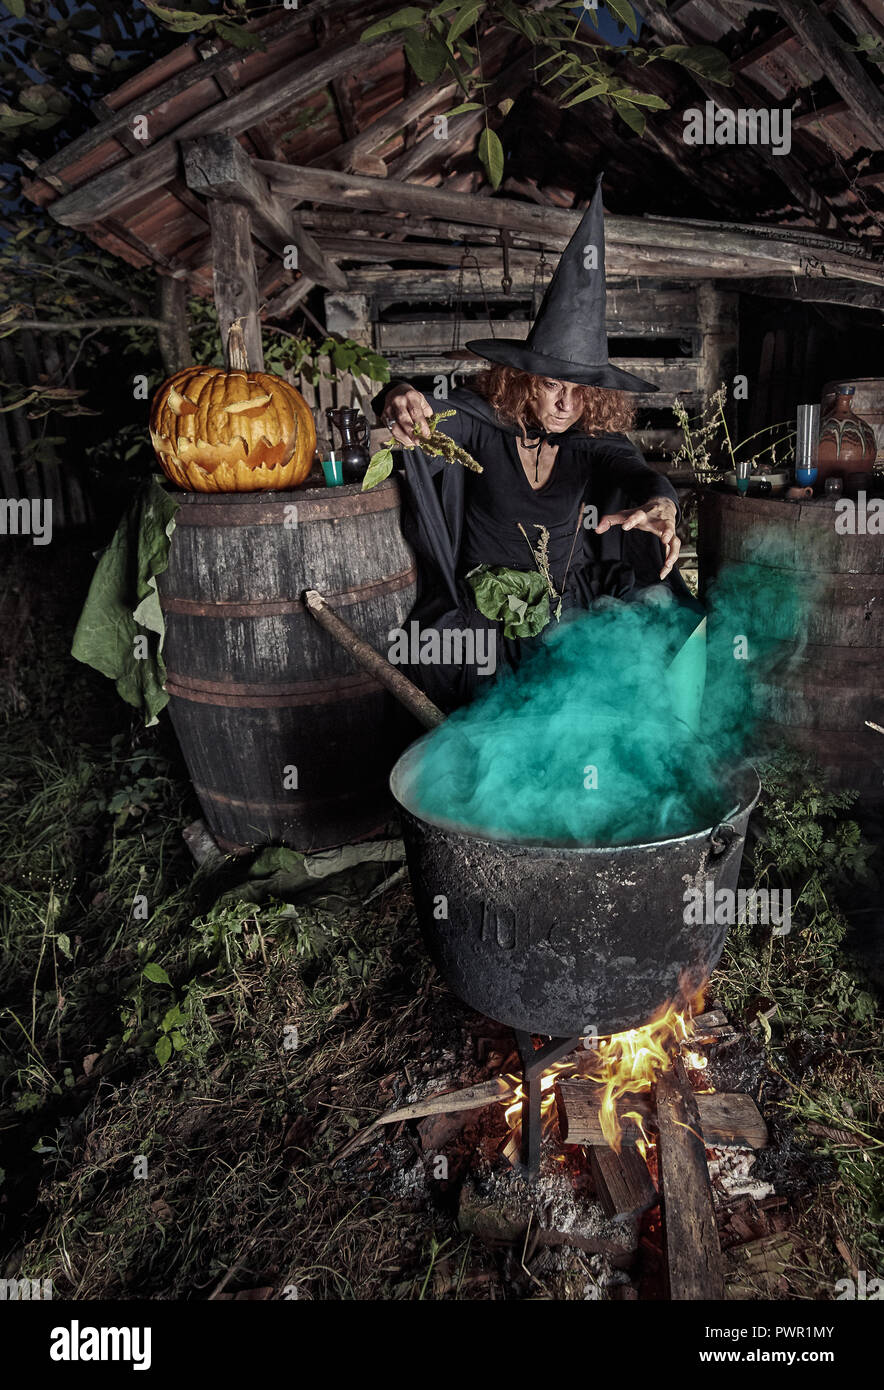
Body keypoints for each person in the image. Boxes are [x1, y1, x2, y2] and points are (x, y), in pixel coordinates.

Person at [371, 174, 701, 712]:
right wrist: (401, 394)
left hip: (569, 607)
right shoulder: (479, 423)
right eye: (553, 384)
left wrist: (661, 503)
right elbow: (428, 416)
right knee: (491, 725)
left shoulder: (591, 440)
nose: (567, 404)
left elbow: (637, 473)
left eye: (580, 390)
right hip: (488, 620)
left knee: (593, 708)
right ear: (523, 378)